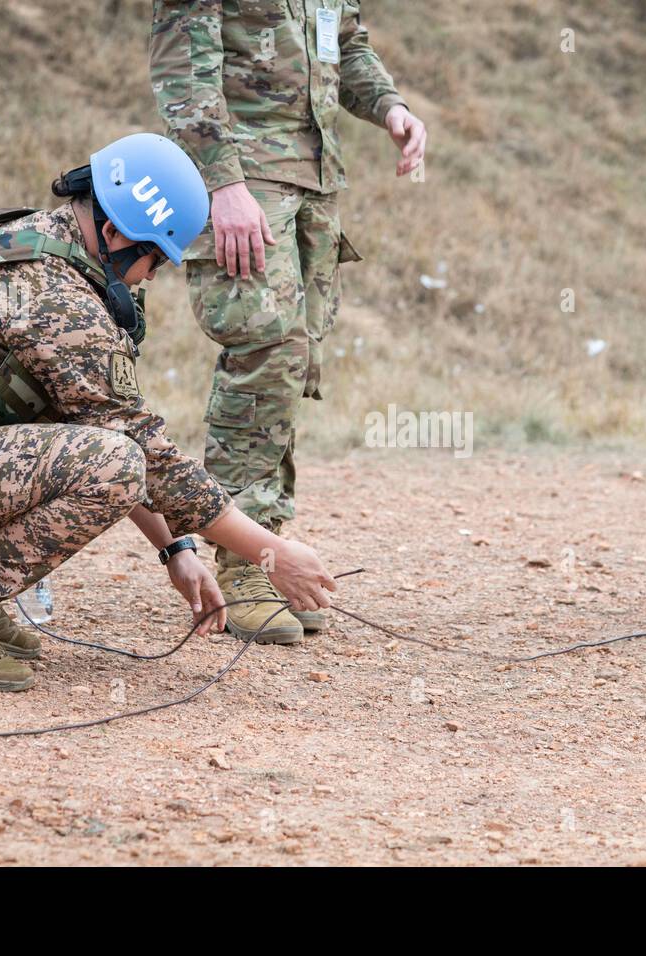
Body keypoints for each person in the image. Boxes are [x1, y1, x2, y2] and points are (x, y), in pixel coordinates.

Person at [0, 132, 336, 692]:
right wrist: (271, 552)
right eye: (154, 258)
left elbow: (97, 420)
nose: (153, 276)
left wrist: (176, 549)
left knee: (110, 454)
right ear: (114, 233)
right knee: (116, 464)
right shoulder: (57, 297)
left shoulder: (36, 242)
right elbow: (137, 454)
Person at [150, 0, 425, 644]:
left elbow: (347, 46)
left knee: (292, 363)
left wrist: (391, 107)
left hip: (314, 179)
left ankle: (265, 545)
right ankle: (242, 561)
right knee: (263, 350)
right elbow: (181, 70)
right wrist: (221, 185)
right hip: (244, 181)